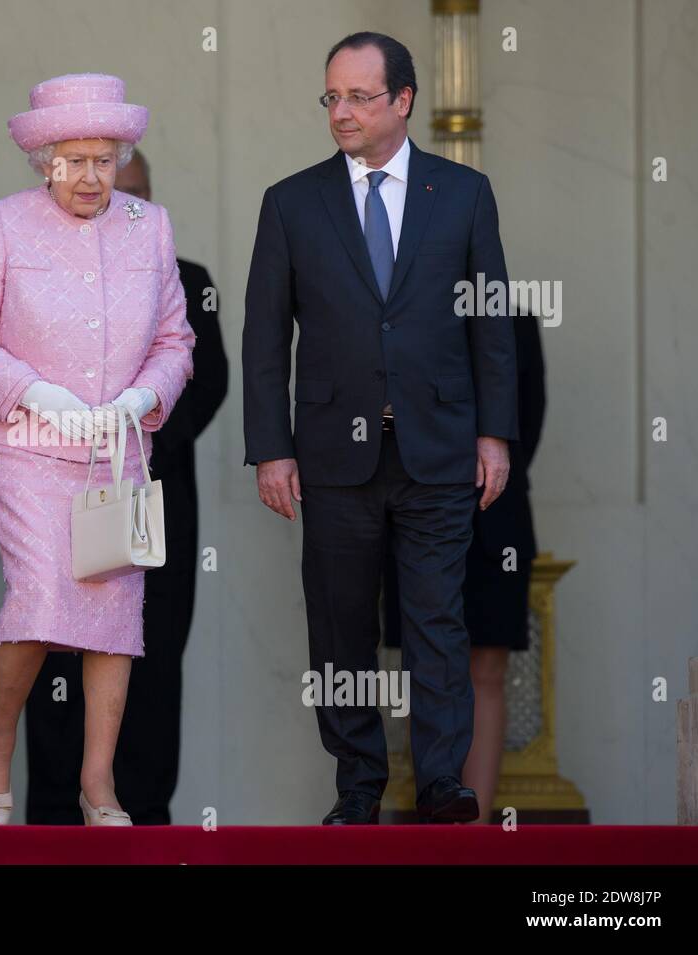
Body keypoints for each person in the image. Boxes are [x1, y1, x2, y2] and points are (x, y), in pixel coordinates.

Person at [241, 32, 518, 825]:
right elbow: (265, 338)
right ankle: (358, 787)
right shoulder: (291, 201)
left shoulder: (463, 194)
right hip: (331, 454)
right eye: (331, 96)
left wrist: (493, 434)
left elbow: (489, 323)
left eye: (359, 96)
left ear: (402, 100)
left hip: (438, 448)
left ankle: (441, 783)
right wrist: (271, 448)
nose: (342, 112)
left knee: (437, 620)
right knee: (340, 627)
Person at [0, 73, 195, 826]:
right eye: (73, 160)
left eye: (105, 160)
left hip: (115, 450)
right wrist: (38, 395)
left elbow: (177, 339)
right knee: (43, 593)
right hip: (22, 446)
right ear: (42, 159)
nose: (91, 176)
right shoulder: (3, 224)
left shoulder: (151, 225)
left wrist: (141, 398)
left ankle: (97, 781)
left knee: (115, 611)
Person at [25, 148, 228, 825]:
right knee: (56, 653)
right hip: (56, 493)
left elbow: (209, 386)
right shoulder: (45, 275)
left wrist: (129, 434)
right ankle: (57, 815)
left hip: (150, 501)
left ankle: (142, 817)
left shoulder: (189, 280)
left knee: (152, 654)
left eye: (137, 194)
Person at [383, 310, 545, 822]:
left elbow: (526, 425)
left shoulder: (514, 324)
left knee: (488, 667)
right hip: (413, 504)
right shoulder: (397, 313)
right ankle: (435, 811)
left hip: (495, 511)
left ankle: (474, 828)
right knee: (426, 664)